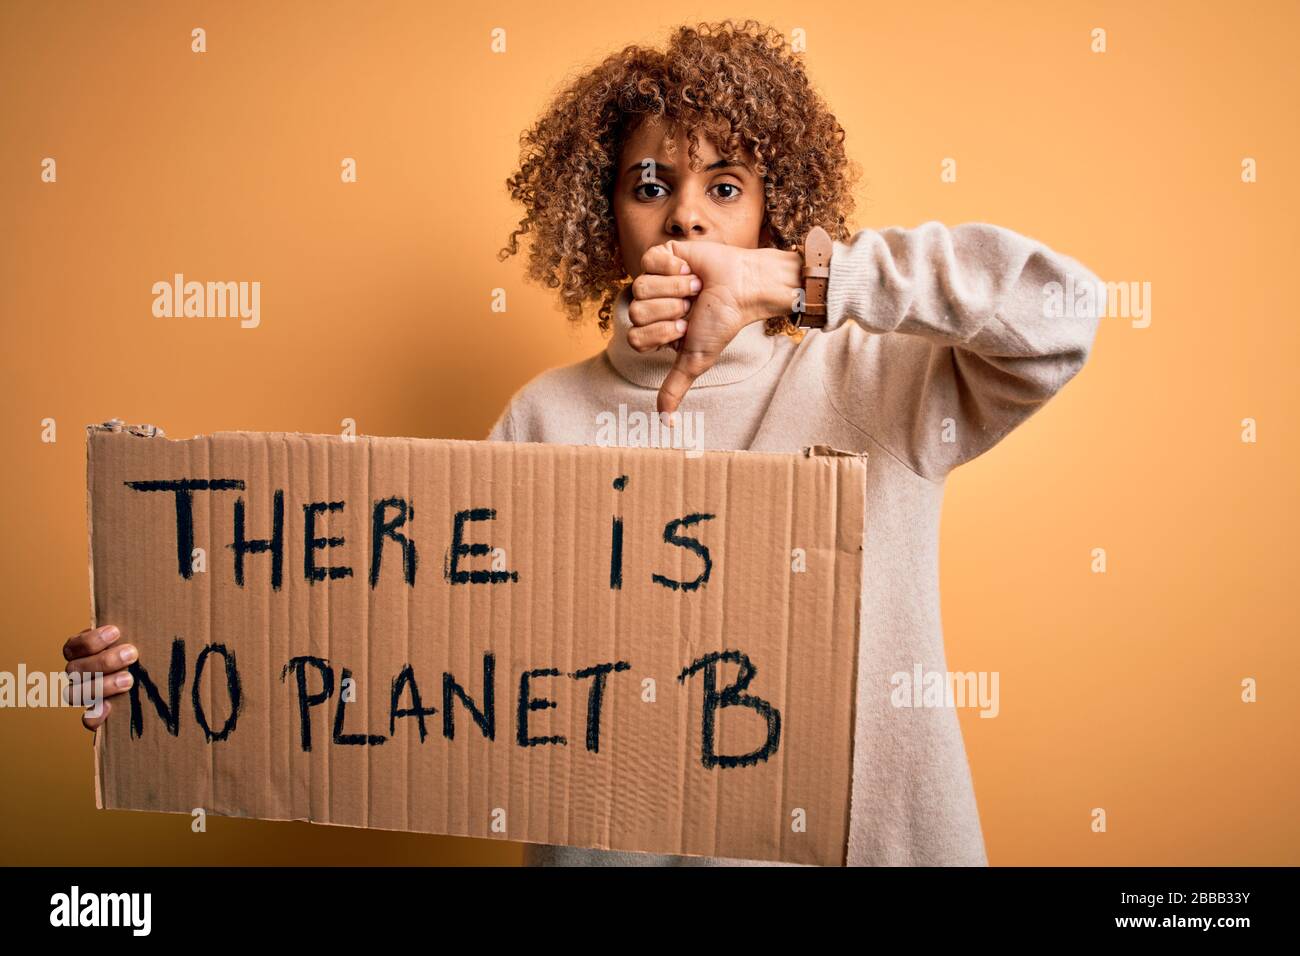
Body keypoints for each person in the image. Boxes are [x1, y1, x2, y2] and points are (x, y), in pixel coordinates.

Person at [66, 18, 1106, 868]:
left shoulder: (878, 380)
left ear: (772, 214)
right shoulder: (542, 421)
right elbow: (408, 668)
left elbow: (1061, 310)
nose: (685, 221)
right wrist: (165, 674)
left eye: (725, 186)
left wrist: (804, 283)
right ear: (604, 217)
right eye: (650, 186)